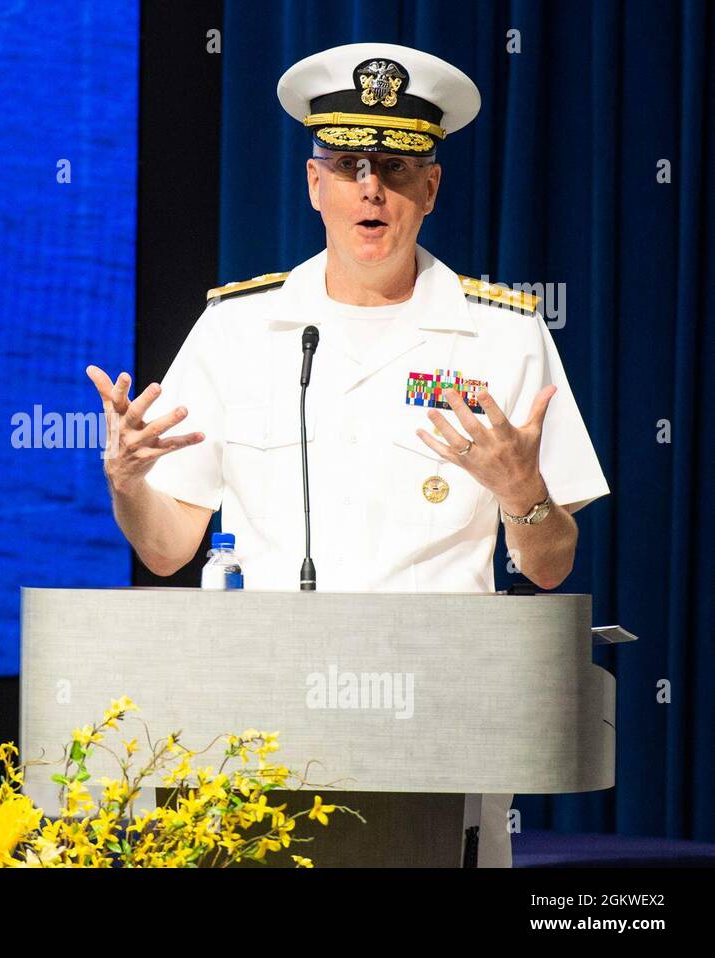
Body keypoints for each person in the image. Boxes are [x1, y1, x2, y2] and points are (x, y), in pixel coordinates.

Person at [85, 43, 610, 867]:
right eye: (350, 163)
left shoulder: (506, 335)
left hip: (438, 729)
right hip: (258, 729)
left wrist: (525, 496)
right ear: (314, 185)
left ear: (429, 190)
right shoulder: (236, 327)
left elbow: (547, 567)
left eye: (396, 167)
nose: (372, 187)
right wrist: (127, 481)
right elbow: (165, 548)